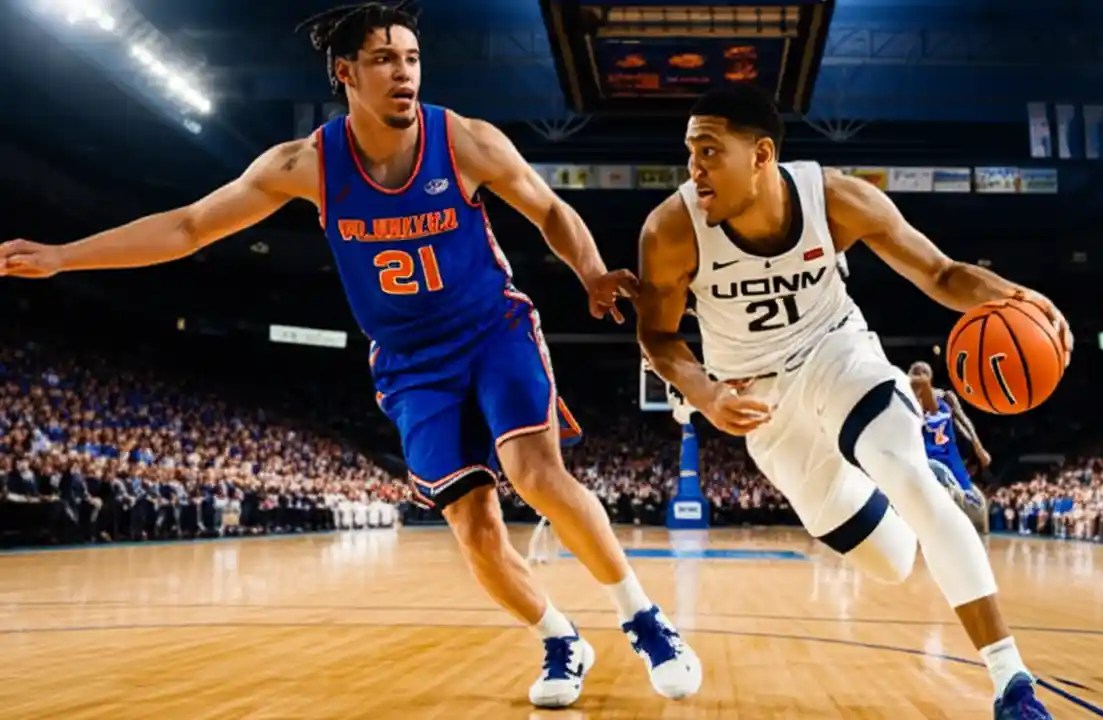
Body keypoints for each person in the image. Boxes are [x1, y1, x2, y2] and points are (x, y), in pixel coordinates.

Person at [0, 1, 700, 709]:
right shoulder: (305, 164)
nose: (404, 72)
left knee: (535, 471)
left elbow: (548, 208)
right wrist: (64, 256)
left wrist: (590, 272)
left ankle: (644, 620)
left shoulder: (462, 140)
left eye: (412, 58)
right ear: (346, 73)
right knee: (474, 527)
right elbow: (188, 227)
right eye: (384, 59)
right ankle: (559, 637)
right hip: (411, 364)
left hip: (493, 332)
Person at [635, 84, 1072, 719]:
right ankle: (924, 485)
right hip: (759, 400)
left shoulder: (835, 198)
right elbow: (657, 335)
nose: (694, 168)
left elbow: (940, 273)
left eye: (709, 151)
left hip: (835, 352)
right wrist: (704, 393)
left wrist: (1015, 296)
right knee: (891, 561)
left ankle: (1013, 683)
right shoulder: (671, 230)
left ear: (761, 155)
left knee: (905, 475)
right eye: (690, 152)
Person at [908, 361, 991, 533]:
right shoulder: (907, 403)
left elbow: (963, 422)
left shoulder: (946, 397)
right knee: (939, 494)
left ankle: (981, 539)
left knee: (975, 503)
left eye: (923, 371)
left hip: (950, 455)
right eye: (916, 372)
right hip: (925, 456)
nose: (920, 374)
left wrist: (978, 447)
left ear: (930, 376)